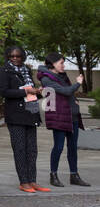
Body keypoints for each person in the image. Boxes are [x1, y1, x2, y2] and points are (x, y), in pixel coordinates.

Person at [0, 47, 49, 193]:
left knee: (32, 149)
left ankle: (32, 180)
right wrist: (26, 91)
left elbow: (31, 91)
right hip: (15, 115)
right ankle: (24, 181)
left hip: (31, 112)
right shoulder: (4, 70)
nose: (15, 58)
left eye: (18, 56)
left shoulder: (26, 70)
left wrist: (38, 92)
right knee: (20, 149)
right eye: (12, 56)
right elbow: (4, 92)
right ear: (8, 56)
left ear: (23, 57)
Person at [38, 52, 89, 187]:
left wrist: (75, 100)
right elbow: (64, 91)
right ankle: (53, 175)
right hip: (59, 117)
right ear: (53, 64)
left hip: (72, 116)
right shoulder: (46, 79)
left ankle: (74, 175)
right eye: (61, 63)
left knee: (72, 147)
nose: (63, 65)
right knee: (58, 147)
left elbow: (69, 93)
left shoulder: (62, 75)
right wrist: (78, 84)